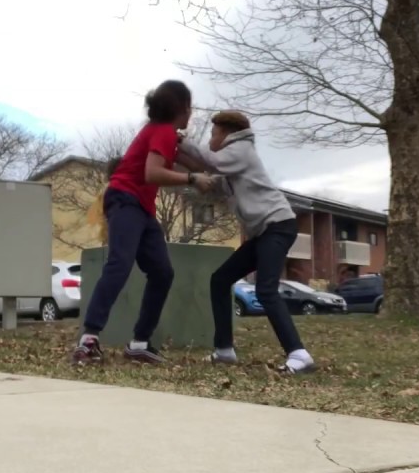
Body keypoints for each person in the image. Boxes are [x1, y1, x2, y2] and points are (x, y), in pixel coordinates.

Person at [72, 80, 216, 365]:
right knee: (120, 265)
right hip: (125, 200)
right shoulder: (161, 131)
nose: (192, 112)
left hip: (142, 209)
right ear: (181, 107)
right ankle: (89, 340)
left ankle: (139, 343)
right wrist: (191, 180)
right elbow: (153, 173)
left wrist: (217, 164)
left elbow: (200, 164)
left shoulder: (166, 135)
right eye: (190, 106)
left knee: (162, 272)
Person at [180, 110, 315, 374]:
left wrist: (181, 142)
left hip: (277, 226)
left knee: (265, 290)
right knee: (220, 279)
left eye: (213, 133)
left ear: (227, 134)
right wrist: (176, 158)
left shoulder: (240, 150)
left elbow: (212, 162)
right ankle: (224, 350)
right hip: (263, 233)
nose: (210, 138)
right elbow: (207, 177)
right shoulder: (232, 165)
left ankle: (299, 355)